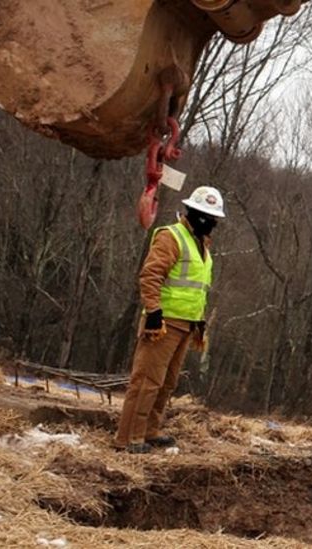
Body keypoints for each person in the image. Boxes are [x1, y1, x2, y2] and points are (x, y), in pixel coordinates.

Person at [113, 185, 225, 453]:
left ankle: (149, 431)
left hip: (187, 325)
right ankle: (129, 438)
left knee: (166, 383)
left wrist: (199, 321)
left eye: (214, 218)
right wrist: (153, 312)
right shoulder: (171, 237)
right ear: (195, 213)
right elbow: (150, 276)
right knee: (146, 382)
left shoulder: (202, 245)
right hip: (164, 323)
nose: (212, 223)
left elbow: (197, 289)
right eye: (209, 217)